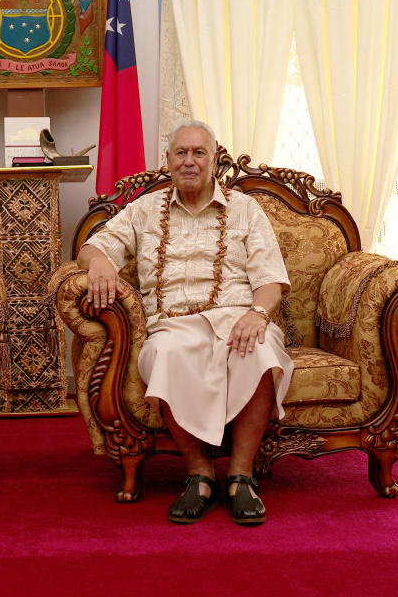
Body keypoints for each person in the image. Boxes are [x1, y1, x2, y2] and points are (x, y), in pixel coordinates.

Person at [78, 119, 293, 526]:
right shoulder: (143, 210)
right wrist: (101, 264)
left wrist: (257, 314)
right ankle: (198, 474)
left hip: (237, 318)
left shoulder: (247, 209)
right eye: (181, 153)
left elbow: (269, 281)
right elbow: (93, 247)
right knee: (165, 354)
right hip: (173, 325)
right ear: (168, 161)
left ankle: (241, 477)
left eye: (199, 153)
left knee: (261, 348)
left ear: (215, 160)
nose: (189, 162)